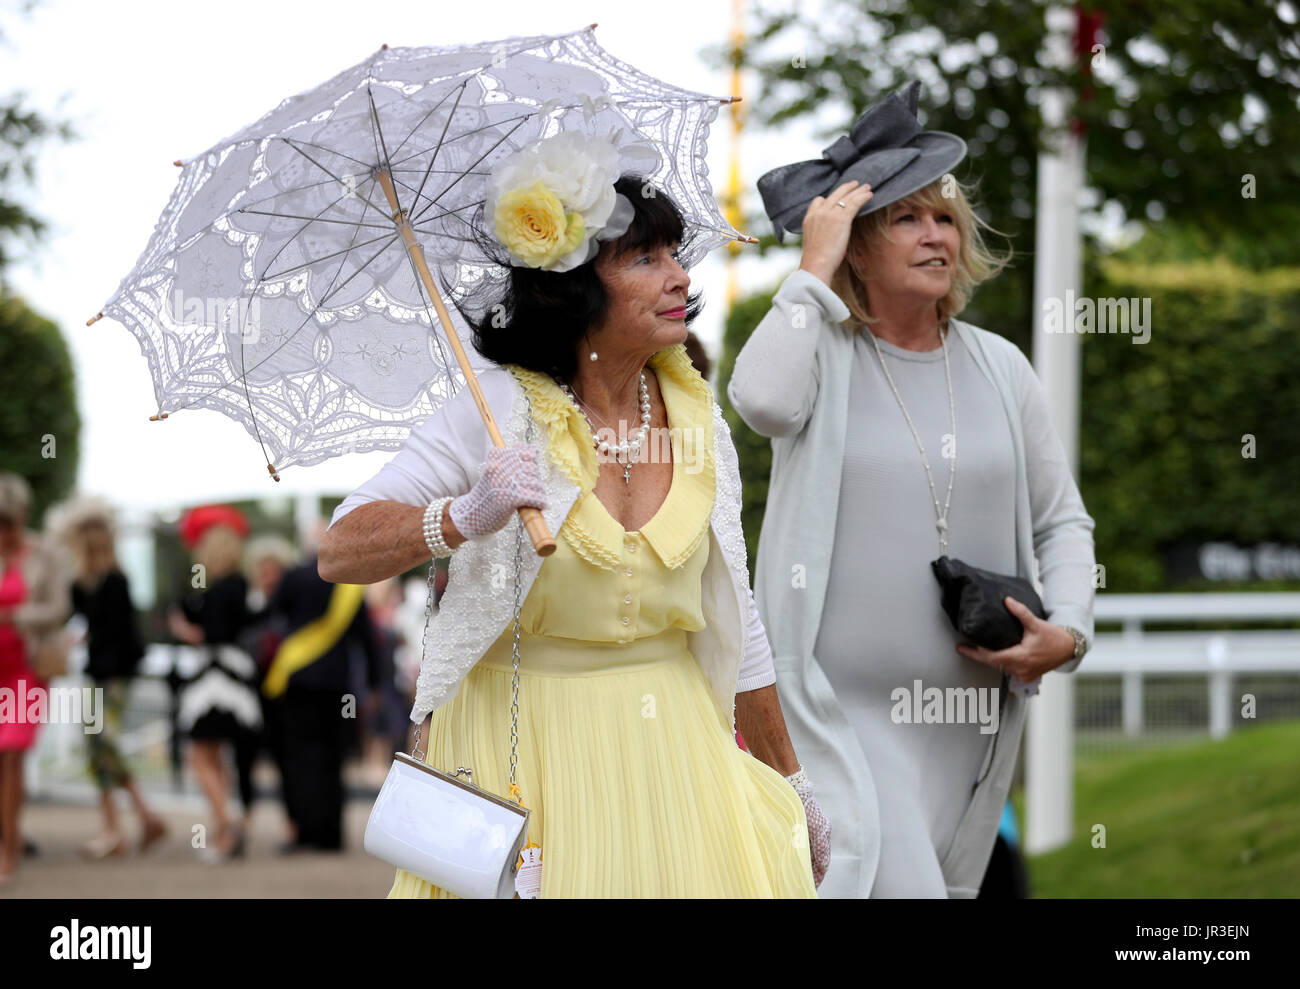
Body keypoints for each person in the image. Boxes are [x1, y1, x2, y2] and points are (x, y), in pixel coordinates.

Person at [319, 129, 827, 897]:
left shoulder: (700, 420)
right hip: (519, 761)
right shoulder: (492, 408)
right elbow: (340, 551)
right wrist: (461, 515)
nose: (680, 278)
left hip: (674, 756)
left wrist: (793, 778)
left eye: (677, 254)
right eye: (646, 258)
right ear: (576, 285)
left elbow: (737, 615)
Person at [730, 81, 1096, 898]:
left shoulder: (1003, 368)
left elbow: (1062, 522)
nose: (935, 234)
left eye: (944, 217)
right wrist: (809, 273)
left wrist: (1067, 632)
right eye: (906, 217)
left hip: (968, 726)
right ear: (857, 245)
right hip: (838, 718)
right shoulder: (821, 352)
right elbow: (758, 398)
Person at [46, 494, 168, 859]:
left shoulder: (111, 582)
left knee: (104, 740)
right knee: (96, 747)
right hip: (101, 673)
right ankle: (117, 828)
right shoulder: (93, 583)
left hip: (112, 676)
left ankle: (142, 818)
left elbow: (116, 633)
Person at [261, 529, 380, 853]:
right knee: (333, 760)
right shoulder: (349, 585)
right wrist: (373, 683)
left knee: (299, 759)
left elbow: (270, 615)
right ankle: (332, 836)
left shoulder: (294, 577)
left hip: (298, 685)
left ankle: (304, 832)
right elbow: (367, 639)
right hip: (338, 688)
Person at [169, 504, 262, 863]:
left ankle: (228, 824)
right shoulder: (237, 583)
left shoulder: (223, 586)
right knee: (215, 757)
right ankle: (225, 828)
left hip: (215, 680)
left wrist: (187, 631)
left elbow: (215, 632)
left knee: (200, 755)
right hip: (232, 679)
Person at [0, 472, 71, 883]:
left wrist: (15, 615)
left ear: (21, 516)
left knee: (12, 755)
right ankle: (10, 837)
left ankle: (10, 852)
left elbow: (58, 608)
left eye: (7, 523)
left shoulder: (44, 553)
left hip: (27, 669)